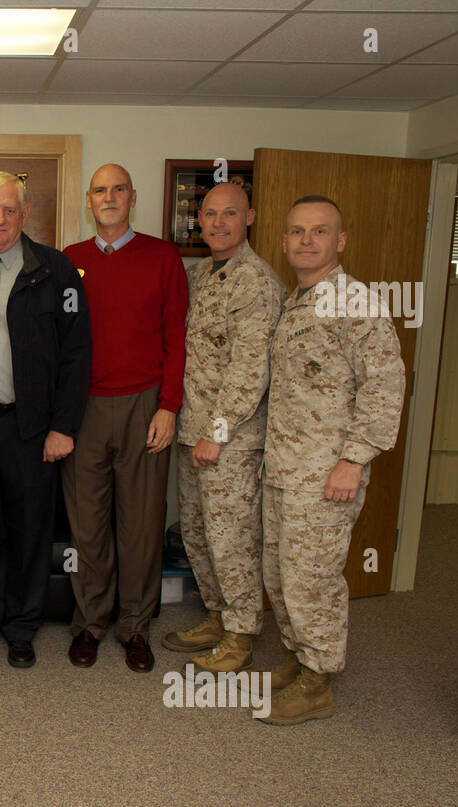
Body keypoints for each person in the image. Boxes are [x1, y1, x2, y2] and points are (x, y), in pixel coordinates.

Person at [257, 195, 405, 725]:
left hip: (325, 474)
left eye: (319, 232)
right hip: (283, 468)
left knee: (311, 579)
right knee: (279, 576)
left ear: (340, 241)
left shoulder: (355, 302)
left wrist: (354, 460)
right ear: (284, 240)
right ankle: (301, 660)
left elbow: (385, 385)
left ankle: (318, 682)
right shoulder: (298, 300)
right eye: (296, 231)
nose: (306, 241)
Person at [0, 171, 91, 668]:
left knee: (29, 532)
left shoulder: (55, 271)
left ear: (25, 216)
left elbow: (76, 354)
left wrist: (63, 426)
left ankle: (22, 627)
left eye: (10, 210)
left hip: (28, 426)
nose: (0, 219)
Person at [61, 164, 187, 672]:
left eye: (118, 189)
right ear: (88, 200)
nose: (109, 197)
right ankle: (91, 624)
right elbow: (59, 343)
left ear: (132, 198)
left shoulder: (162, 256)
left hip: (144, 407)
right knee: (87, 527)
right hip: (84, 409)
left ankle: (135, 626)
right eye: (99, 190)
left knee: (139, 526)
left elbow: (178, 336)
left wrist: (169, 406)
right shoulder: (70, 260)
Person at [161, 182, 283, 674]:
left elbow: (250, 368)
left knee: (232, 538)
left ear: (249, 217)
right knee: (197, 532)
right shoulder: (199, 275)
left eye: (229, 214)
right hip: (192, 431)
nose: (217, 223)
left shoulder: (257, 282)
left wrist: (218, 431)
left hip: (228, 440)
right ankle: (215, 615)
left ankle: (240, 632)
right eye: (209, 214)